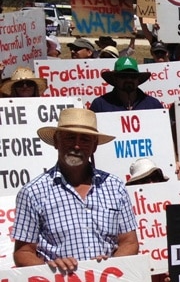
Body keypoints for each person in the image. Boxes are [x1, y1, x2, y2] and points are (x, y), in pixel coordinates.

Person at [13, 108, 138, 271]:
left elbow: (129, 242)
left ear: (94, 147)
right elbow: (23, 252)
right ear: (56, 142)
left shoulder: (115, 186)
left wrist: (111, 266)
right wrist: (51, 271)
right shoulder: (32, 192)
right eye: (70, 138)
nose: (77, 145)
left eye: (85, 139)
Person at [89, 57, 165, 112]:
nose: (129, 80)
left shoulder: (153, 105)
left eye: (133, 76)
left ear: (138, 80)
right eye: (123, 76)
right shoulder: (100, 104)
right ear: (115, 79)